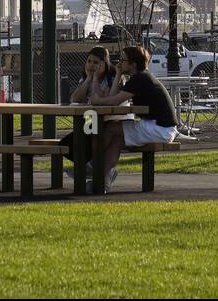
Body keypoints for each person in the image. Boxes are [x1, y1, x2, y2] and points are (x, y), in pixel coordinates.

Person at [90, 46, 178, 193]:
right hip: (160, 128)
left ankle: (93, 163)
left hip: (160, 129)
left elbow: (113, 101)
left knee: (112, 128)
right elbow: (113, 99)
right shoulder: (141, 77)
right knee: (117, 137)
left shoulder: (139, 79)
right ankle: (101, 178)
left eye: (123, 60)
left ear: (133, 65)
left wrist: (96, 101)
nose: (119, 63)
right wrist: (118, 74)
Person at [59, 47, 117, 177]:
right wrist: (88, 80)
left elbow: (102, 99)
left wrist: (95, 79)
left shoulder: (112, 79)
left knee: (85, 141)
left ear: (104, 64)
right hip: (90, 119)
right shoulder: (86, 78)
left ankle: (90, 170)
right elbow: (75, 98)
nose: (91, 65)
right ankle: (89, 168)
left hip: (109, 121)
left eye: (96, 62)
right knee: (66, 144)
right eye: (89, 61)